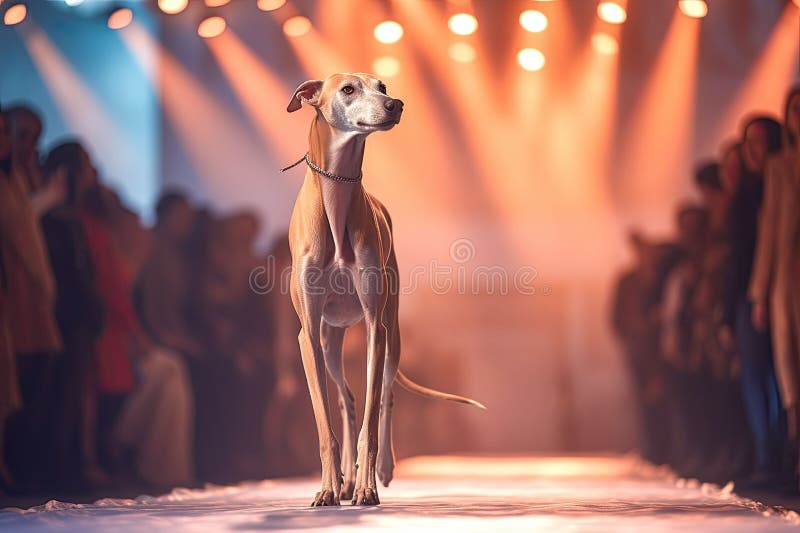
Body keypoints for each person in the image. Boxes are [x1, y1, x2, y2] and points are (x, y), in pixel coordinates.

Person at [0, 108, 64, 489]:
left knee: (23, 383)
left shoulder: (19, 179)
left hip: (28, 293)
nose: (24, 145)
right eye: (17, 134)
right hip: (13, 292)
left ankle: (21, 466)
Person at [722, 116, 785, 485]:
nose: (752, 151)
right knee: (755, 379)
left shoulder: (775, 185)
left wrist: (759, 292)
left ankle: (773, 456)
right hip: (748, 294)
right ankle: (764, 456)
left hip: (767, 291)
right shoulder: (744, 195)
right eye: (748, 143)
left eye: (759, 142)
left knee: (776, 380)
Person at [749, 87, 800, 460]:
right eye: (795, 110)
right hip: (786, 274)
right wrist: (760, 293)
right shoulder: (779, 166)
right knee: (787, 360)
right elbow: (768, 231)